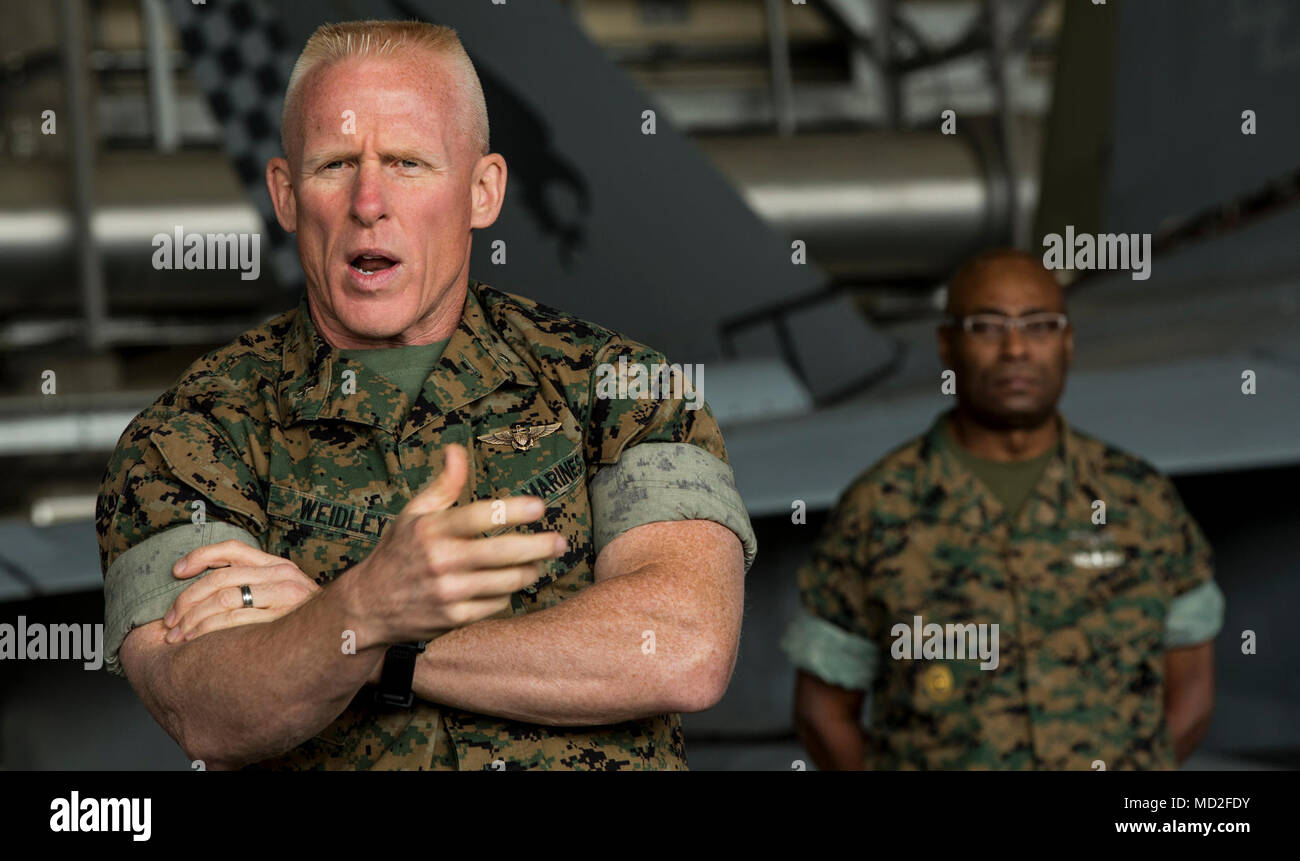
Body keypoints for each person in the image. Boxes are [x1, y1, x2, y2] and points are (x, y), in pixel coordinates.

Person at [96, 20, 755, 771]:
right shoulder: (191, 433)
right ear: (284, 194)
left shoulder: (624, 391)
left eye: (408, 163)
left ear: (483, 191)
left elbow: (682, 647)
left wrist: (365, 635)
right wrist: (362, 607)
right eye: (335, 164)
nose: (368, 202)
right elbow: (206, 705)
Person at [780, 248, 1223, 770]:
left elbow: (1191, 689)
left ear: (1067, 341)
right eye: (987, 327)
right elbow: (823, 713)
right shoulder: (879, 508)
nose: (1015, 349)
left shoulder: (1139, 499)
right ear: (948, 344)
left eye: (1040, 325)